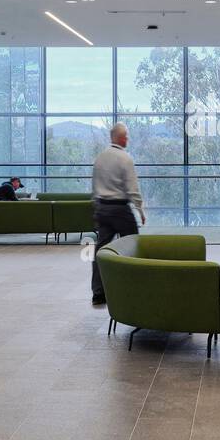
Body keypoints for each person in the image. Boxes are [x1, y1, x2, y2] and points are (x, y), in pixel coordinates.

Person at [90, 122, 145, 305]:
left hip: (102, 208)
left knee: (101, 250)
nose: (127, 138)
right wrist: (140, 209)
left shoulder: (100, 158)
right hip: (120, 209)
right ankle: (133, 288)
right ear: (120, 138)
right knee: (133, 246)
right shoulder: (125, 158)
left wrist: (96, 207)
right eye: (126, 135)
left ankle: (98, 293)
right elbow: (132, 189)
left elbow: (94, 187)